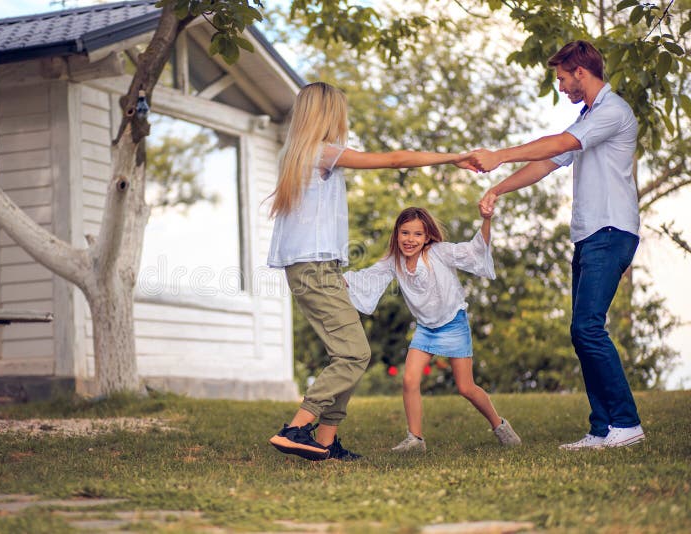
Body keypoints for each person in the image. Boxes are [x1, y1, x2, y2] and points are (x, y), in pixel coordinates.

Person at [267, 82, 476, 461]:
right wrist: (452, 158)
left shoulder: (296, 155)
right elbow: (394, 159)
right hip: (314, 268)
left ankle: (325, 440)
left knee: (346, 353)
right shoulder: (320, 153)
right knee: (353, 354)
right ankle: (297, 427)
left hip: (314, 267)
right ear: (329, 116)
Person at [471, 40, 644, 449]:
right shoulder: (588, 117)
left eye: (564, 78)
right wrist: (500, 187)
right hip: (589, 236)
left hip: (611, 231)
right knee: (582, 330)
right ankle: (602, 429)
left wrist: (499, 155)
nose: (563, 86)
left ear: (580, 72)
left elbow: (557, 145)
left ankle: (626, 422)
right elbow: (548, 162)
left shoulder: (612, 111)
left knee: (587, 327)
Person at [343, 207, 521, 452]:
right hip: (426, 328)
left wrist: (487, 219)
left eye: (417, 234)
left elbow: (474, 250)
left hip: (453, 322)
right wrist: (340, 279)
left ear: (427, 237)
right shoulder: (394, 262)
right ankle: (415, 439)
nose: (410, 239)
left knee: (466, 387)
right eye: (404, 233)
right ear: (397, 234)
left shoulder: (439, 252)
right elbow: (367, 277)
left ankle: (500, 425)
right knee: (409, 380)